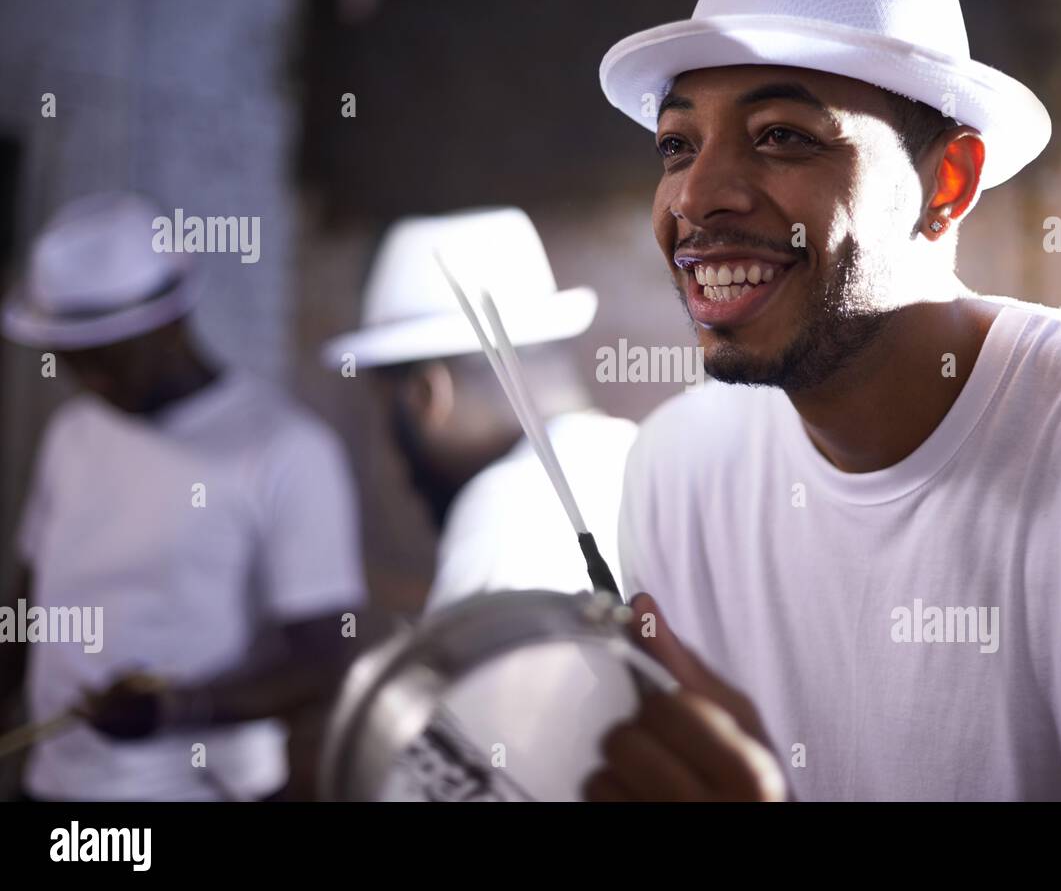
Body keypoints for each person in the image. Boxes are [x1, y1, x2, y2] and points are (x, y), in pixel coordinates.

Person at [585, 0, 1061, 801]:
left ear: (948, 182)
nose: (697, 197)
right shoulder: (672, 472)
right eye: (676, 145)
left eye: (781, 135)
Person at [0, 193, 368, 800]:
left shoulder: (287, 450)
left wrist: (175, 710)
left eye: (107, 360)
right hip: (53, 789)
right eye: (71, 361)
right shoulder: (72, 433)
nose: (91, 381)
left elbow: (326, 659)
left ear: (170, 323)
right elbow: (32, 594)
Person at [320, 206, 637, 612]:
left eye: (389, 411)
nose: (398, 460)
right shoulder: (637, 456)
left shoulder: (508, 510)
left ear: (426, 394)